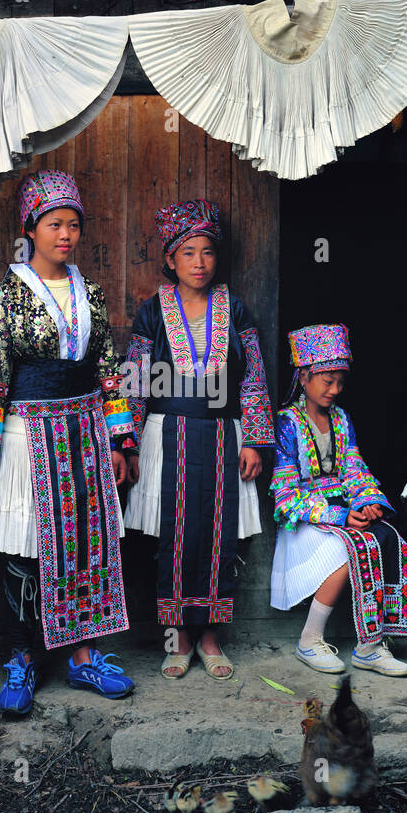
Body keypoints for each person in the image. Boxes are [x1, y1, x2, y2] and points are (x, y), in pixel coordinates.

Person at [0, 169, 136, 712]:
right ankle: (24, 657)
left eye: (73, 224)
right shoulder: (9, 296)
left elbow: (108, 370)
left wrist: (119, 441)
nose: (65, 234)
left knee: (86, 541)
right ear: (31, 229)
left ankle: (84, 656)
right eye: (54, 223)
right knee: (29, 547)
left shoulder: (93, 295)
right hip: (25, 435)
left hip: (83, 433)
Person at [123, 200, 275, 680]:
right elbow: (133, 380)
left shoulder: (236, 309)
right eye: (188, 252)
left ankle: (210, 636)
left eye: (207, 252)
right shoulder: (153, 312)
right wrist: (125, 441)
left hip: (223, 435)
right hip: (166, 435)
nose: (199, 262)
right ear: (170, 259)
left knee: (218, 535)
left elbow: (251, 379)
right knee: (174, 536)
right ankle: (179, 637)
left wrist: (254, 438)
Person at [271, 324, 407, 676]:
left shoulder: (342, 419)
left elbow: (355, 471)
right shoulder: (287, 424)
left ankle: (371, 646)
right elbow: (285, 497)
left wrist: (369, 502)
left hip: (343, 517)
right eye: (327, 380)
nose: (335, 389)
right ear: (303, 377)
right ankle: (310, 640)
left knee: (386, 536)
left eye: (340, 382)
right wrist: (340, 515)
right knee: (350, 550)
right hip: (306, 524)